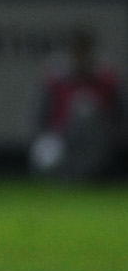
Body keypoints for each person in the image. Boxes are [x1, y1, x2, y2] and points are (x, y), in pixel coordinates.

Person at [29, 27, 121, 181]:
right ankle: (62, 181)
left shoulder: (105, 76)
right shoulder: (56, 76)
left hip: (95, 140)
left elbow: (118, 114)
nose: (80, 55)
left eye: (84, 49)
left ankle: (88, 177)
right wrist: (42, 136)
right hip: (61, 136)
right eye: (76, 49)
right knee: (46, 157)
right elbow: (40, 114)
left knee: (85, 105)